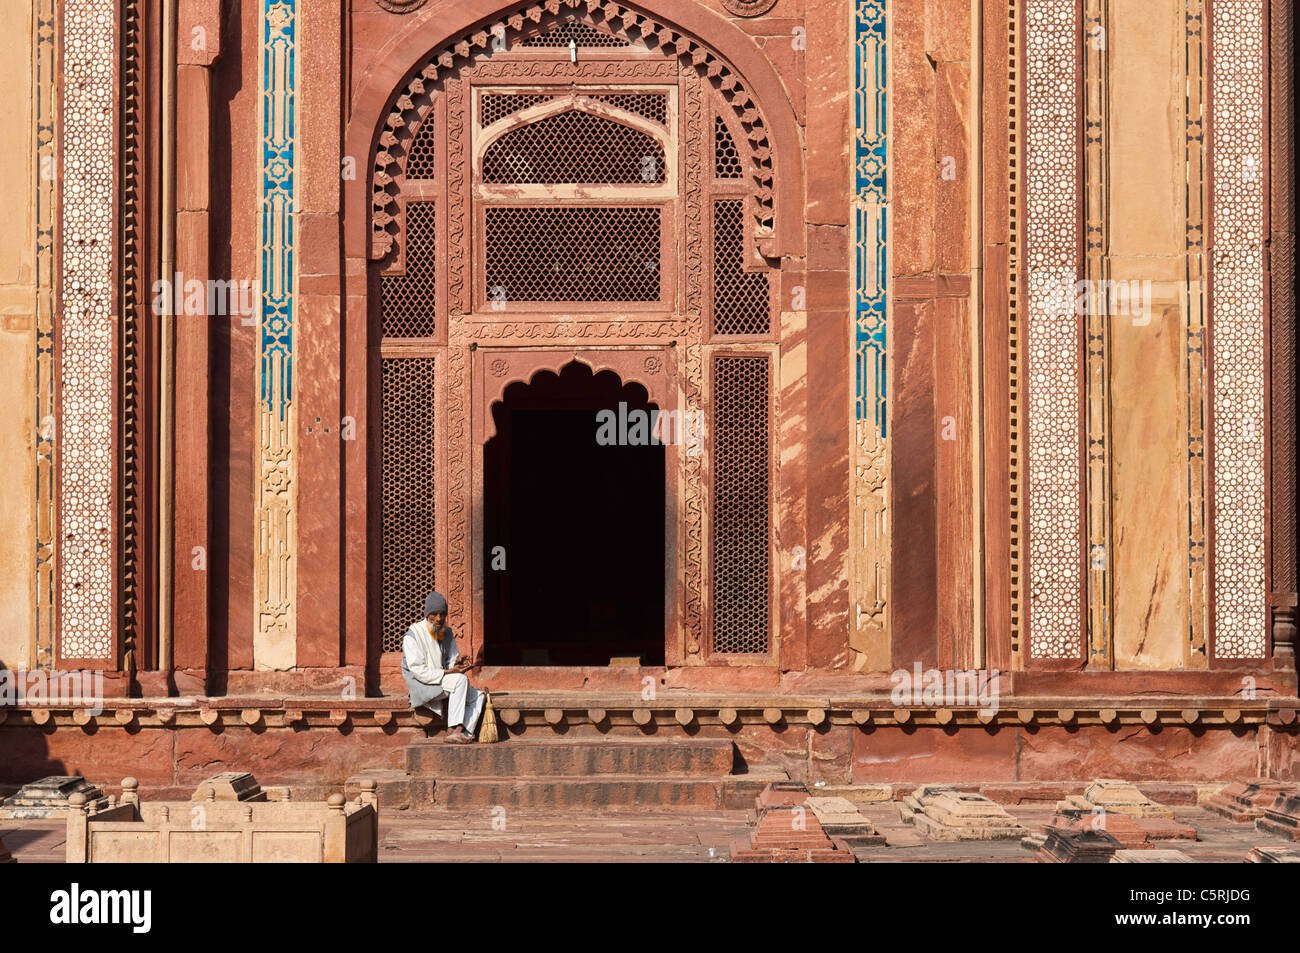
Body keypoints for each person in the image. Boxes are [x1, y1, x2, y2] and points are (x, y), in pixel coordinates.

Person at [402, 591, 485, 744]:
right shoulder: (412, 635)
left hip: (443, 680)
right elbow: (418, 671)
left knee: (478, 695)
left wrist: (458, 664)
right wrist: (449, 672)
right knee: (460, 680)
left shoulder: (447, 632)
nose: (439, 619)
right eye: (435, 614)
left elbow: (452, 660)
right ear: (427, 614)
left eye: (442, 614)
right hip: (422, 684)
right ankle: (454, 729)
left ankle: (464, 731)